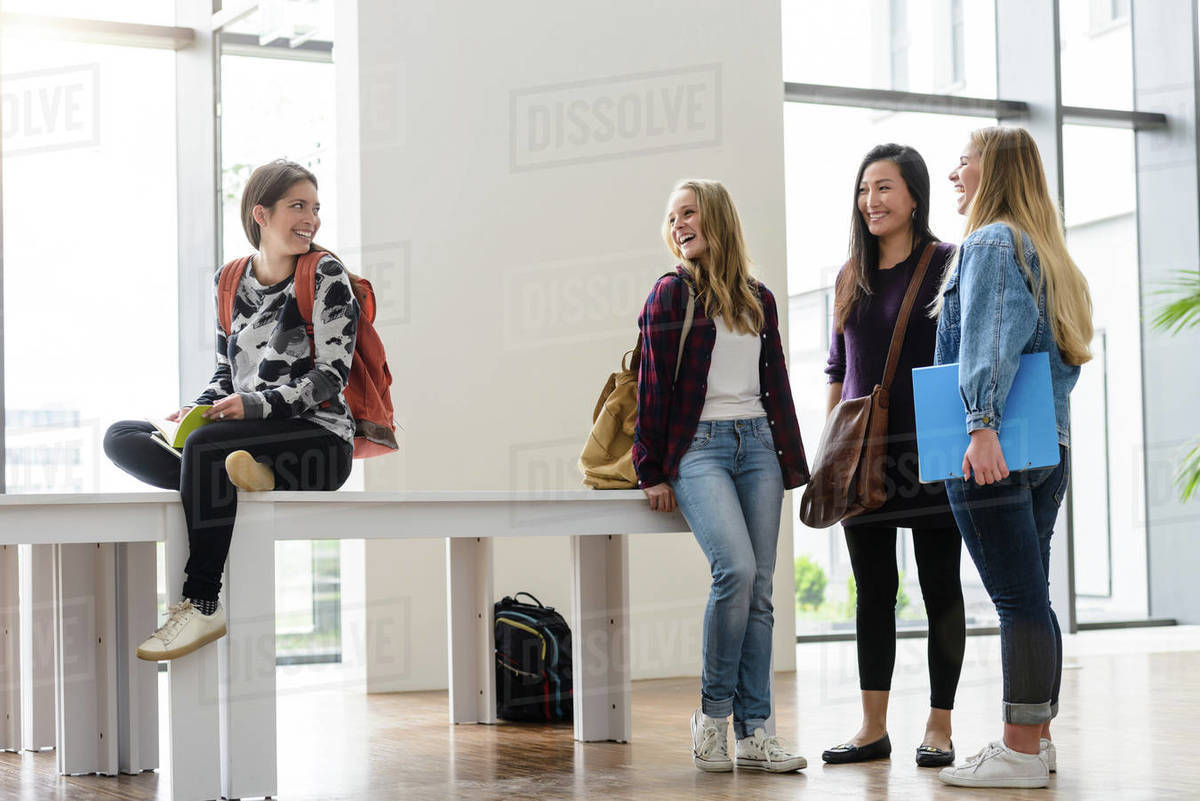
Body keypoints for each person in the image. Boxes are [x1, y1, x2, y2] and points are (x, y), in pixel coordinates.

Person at [104, 159, 359, 662]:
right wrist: (200, 409)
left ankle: (201, 603)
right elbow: (227, 371)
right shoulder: (229, 280)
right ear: (261, 214)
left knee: (204, 449)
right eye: (297, 207)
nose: (310, 219)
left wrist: (254, 406)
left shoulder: (324, 273)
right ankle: (238, 477)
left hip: (318, 442)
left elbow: (332, 376)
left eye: (315, 208)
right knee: (121, 435)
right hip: (243, 437)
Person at [934, 127, 1093, 789]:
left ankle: (1019, 748)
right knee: (1033, 592)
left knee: (1016, 597)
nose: (953, 175)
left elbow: (989, 340)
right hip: (1045, 444)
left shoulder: (994, 241)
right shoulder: (1048, 252)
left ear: (990, 171)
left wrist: (980, 424)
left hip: (993, 442)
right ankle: (1039, 738)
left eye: (963, 162)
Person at [634, 178, 809, 773]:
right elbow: (651, 387)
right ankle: (712, 716)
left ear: (718, 220)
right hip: (699, 449)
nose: (680, 224)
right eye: (673, 216)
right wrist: (651, 470)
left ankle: (755, 732)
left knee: (760, 590)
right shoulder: (670, 295)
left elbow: (776, 383)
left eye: (691, 213)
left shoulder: (759, 298)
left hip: (759, 443)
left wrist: (792, 459)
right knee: (734, 570)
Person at [820, 144, 966, 769]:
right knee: (873, 590)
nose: (871, 201)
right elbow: (836, 369)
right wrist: (830, 448)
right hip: (864, 457)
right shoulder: (849, 275)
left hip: (932, 447)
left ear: (913, 197)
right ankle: (872, 726)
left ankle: (939, 724)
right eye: (863, 190)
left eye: (883, 188)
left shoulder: (948, 264)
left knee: (940, 587)